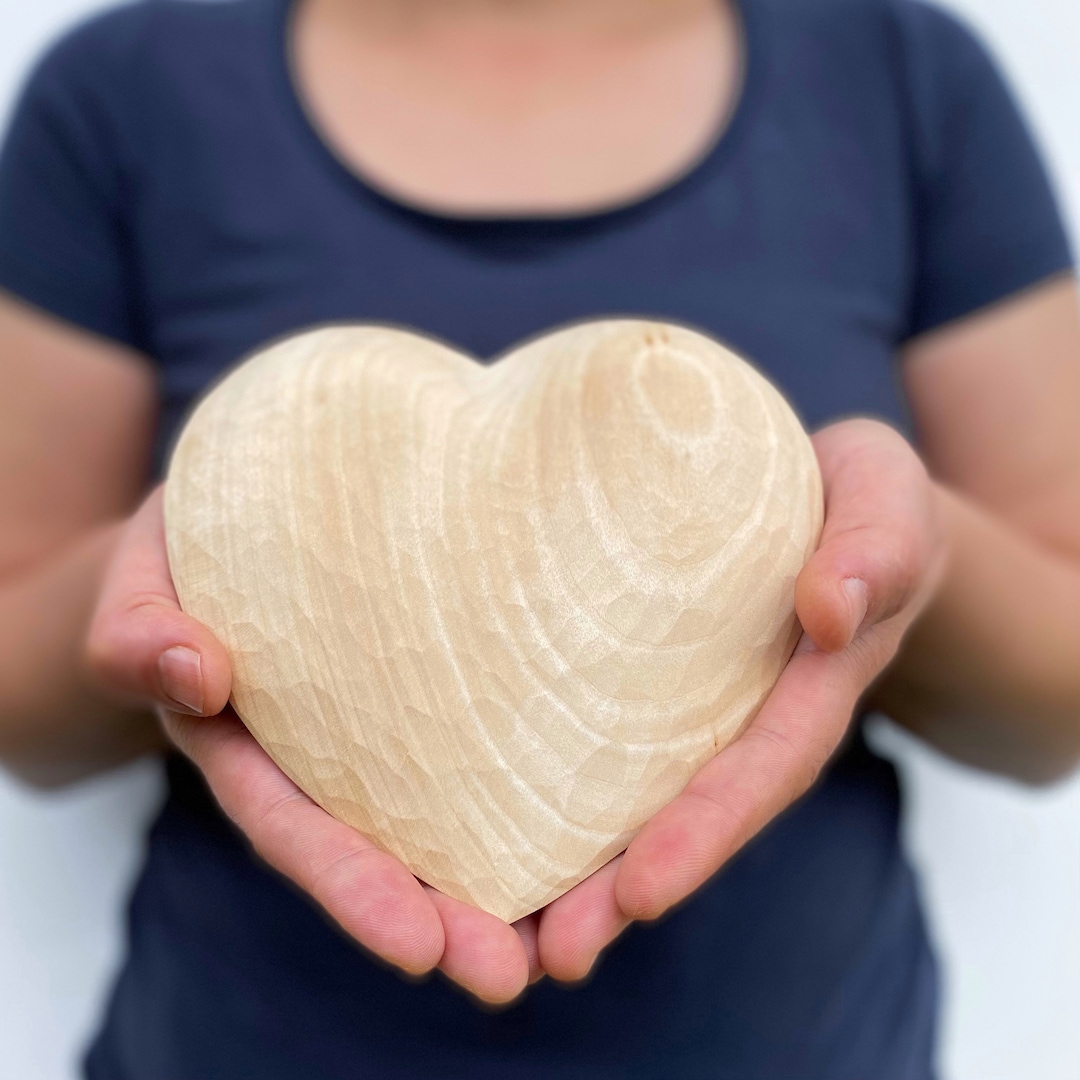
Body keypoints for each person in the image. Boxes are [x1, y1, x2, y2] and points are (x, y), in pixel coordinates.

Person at [1, 0, 1078, 1075]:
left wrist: (907, 557)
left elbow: (1057, 706)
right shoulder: (125, 89)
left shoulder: (900, 71)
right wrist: (186, 567)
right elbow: (19, 704)